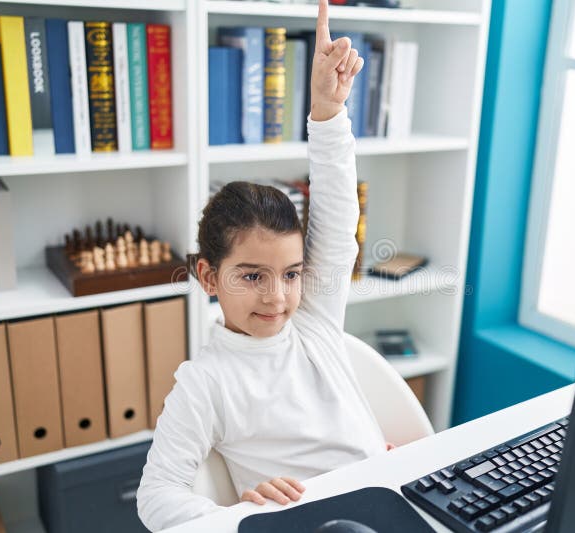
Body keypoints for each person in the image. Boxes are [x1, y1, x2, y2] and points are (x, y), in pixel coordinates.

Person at [137, 1, 392, 530]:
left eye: (291, 274)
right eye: (252, 276)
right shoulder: (204, 382)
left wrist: (327, 110)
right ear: (209, 276)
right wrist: (234, 515)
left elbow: (338, 221)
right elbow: (156, 495)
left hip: (386, 495)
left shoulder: (313, 320)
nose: (277, 297)